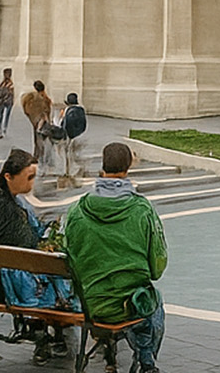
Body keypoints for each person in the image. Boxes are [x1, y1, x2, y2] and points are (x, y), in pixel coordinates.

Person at [64, 142, 167, 373]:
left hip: (91, 304)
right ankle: (147, 362)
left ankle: (109, 353)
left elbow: (68, 254)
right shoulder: (142, 210)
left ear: (103, 166)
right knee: (153, 301)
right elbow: (157, 268)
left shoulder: (77, 211)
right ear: (128, 167)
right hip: (128, 306)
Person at [0, 149, 72, 363]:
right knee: (60, 271)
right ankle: (50, 331)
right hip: (4, 284)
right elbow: (28, 244)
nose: (32, 183)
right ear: (9, 177)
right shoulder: (4, 208)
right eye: (29, 177)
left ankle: (48, 333)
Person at [57, 92, 89, 187]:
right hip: (81, 135)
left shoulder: (68, 110)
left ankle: (70, 175)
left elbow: (64, 125)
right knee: (77, 156)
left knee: (69, 155)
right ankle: (78, 175)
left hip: (71, 136)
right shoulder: (81, 109)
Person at [22, 79, 53, 159]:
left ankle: (38, 154)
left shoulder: (31, 97)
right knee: (44, 139)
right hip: (44, 121)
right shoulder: (45, 98)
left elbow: (27, 109)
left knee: (37, 139)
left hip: (36, 121)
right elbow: (47, 110)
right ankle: (42, 155)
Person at [0, 68, 16, 140]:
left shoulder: (11, 84)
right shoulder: (0, 82)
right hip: (0, 101)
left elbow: (12, 93)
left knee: (6, 115)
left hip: (7, 101)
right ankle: (0, 128)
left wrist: (12, 101)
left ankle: (3, 129)